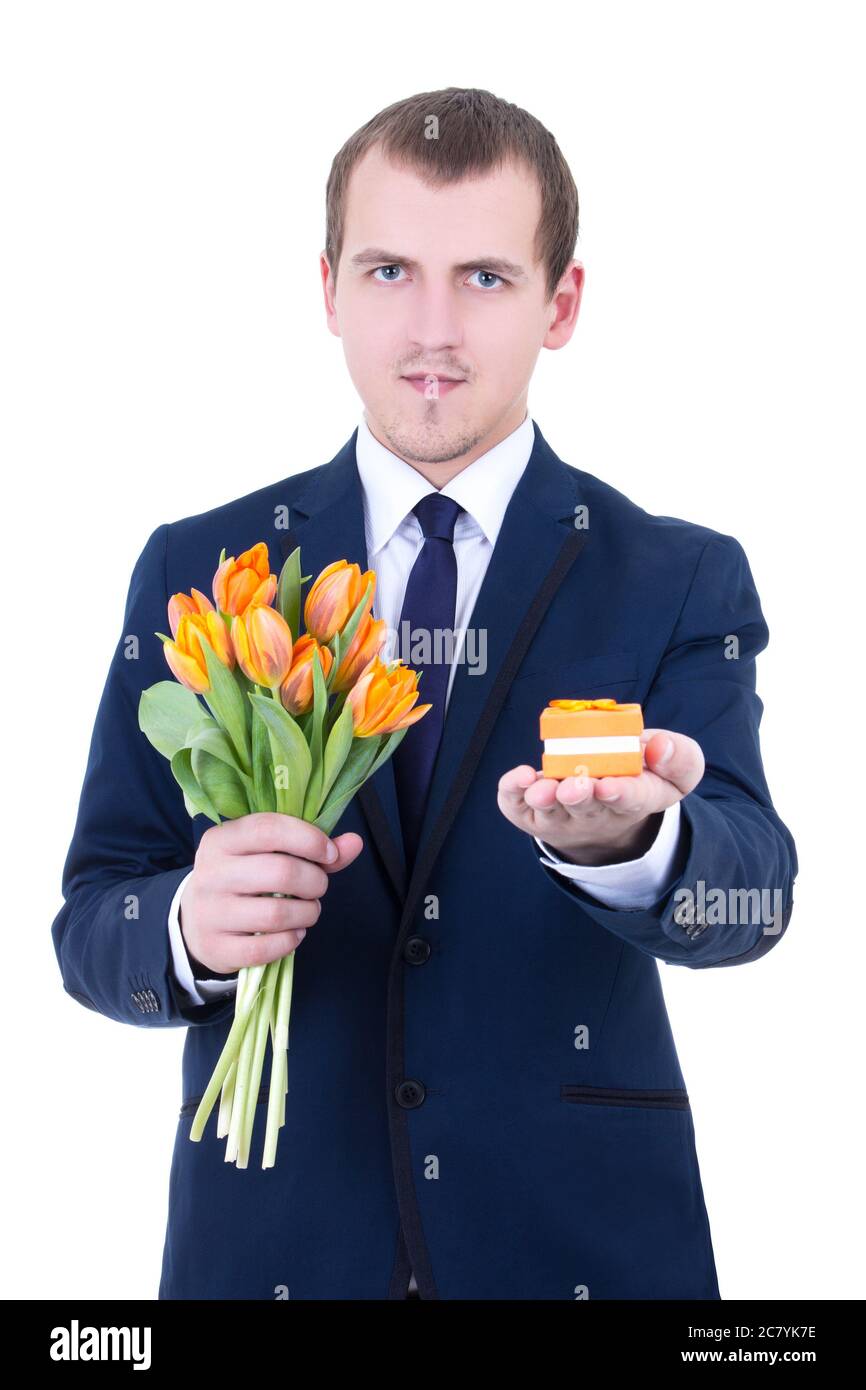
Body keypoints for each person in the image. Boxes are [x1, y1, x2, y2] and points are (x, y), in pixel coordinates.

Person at [51, 86, 797, 1300]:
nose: (433, 329)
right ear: (328, 287)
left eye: (486, 278)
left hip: (580, 1255)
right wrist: (188, 926)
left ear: (561, 304)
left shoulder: (677, 574)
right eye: (391, 270)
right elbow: (92, 915)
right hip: (274, 1254)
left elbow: (754, 891)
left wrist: (640, 846)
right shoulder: (200, 567)